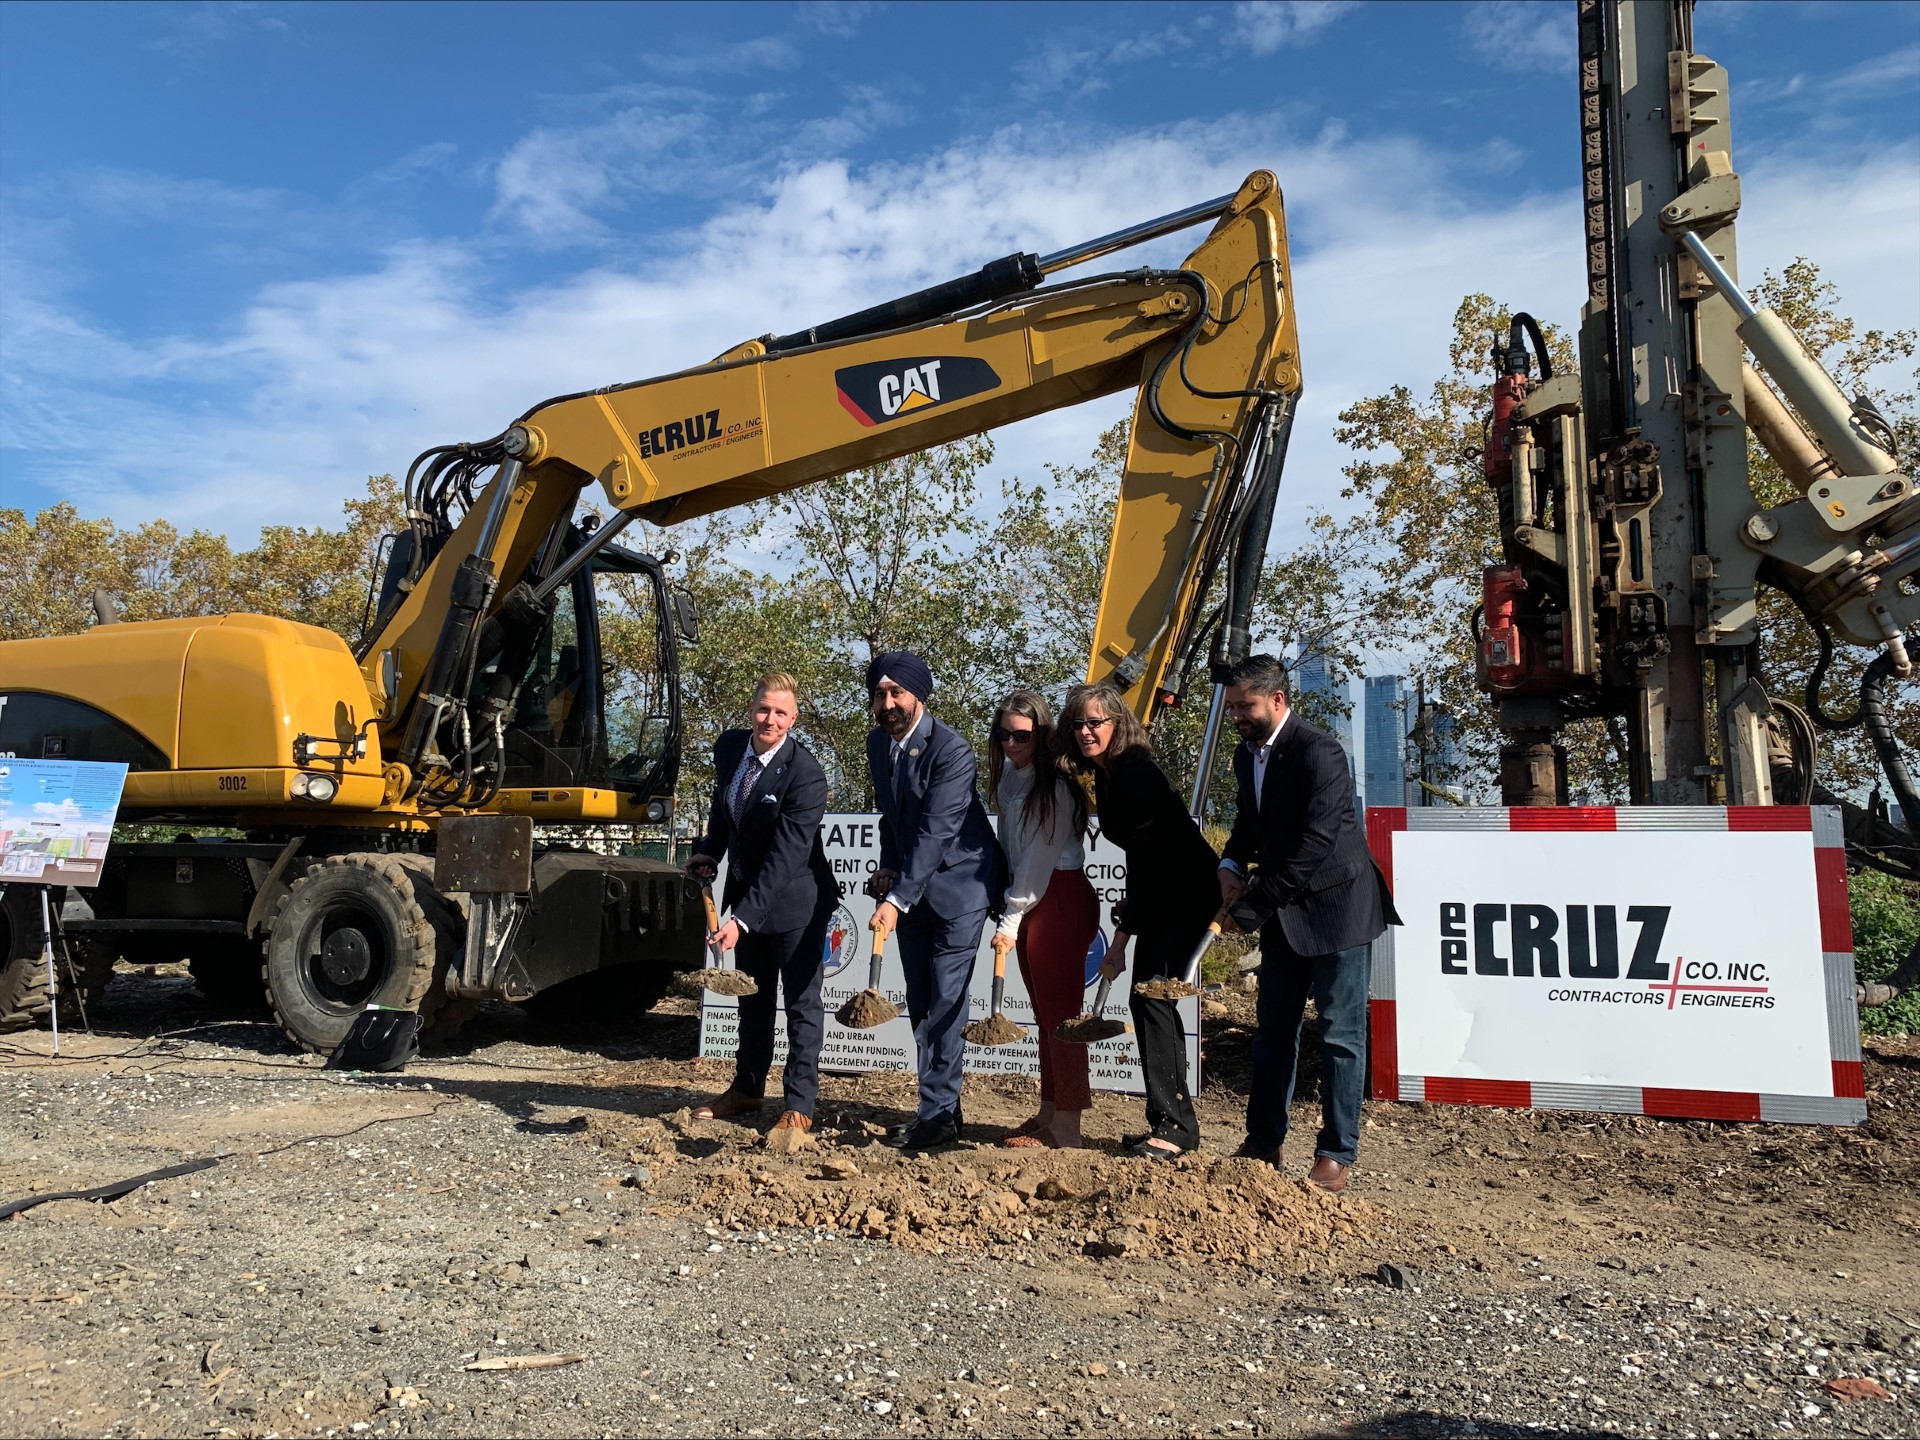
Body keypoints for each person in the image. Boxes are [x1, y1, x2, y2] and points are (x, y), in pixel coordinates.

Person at [1216, 653, 1400, 1192]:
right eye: (1231, 709)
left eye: (1245, 706)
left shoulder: (1320, 752)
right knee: (1273, 1030)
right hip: (1284, 910)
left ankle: (1337, 1154)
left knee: (1341, 1034)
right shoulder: (1244, 755)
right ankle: (1263, 1141)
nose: (1237, 717)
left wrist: (1253, 906)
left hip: (1337, 909)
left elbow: (1315, 843)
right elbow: (1250, 825)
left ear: (1278, 700)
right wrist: (1230, 864)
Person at [1056, 682, 1217, 1159]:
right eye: (1078, 724)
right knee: (1150, 1001)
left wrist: (1121, 939)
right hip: (1163, 891)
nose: (1085, 732)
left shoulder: (1134, 773)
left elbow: (1158, 857)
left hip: (1186, 893)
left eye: (1095, 723)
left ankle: (1174, 1128)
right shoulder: (1107, 773)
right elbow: (1143, 858)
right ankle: (1171, 1123)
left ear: (1117, 724)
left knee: (1151, 998)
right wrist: (1131, 905)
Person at [687, 672, 840, 1149]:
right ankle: (748, 1089)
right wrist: (709, 849)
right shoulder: (730, 748)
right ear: (751, 710)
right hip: (745, 896)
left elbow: (788, 856)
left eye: (780, 712)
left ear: (794, 719)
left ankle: (798, 1107)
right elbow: (722, 808)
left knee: (800, 1006)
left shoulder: (807, 775)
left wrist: (742, 919)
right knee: (752, 1000)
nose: (769, 719)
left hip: (797, 902)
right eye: (763, 708)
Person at [865, 650, 1007, 1152]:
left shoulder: (952, 750)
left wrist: (897, 898)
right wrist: (888, 865)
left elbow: (937, 829)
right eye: (880, 694)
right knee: (923, 1002)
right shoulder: (877, 743)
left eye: (896, 692)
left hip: (960, 890)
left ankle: (940, 1117)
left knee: (947, 1001)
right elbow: (892, 818)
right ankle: (939, 1109)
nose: (888, 703)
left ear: (918, 695)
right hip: (912, 893)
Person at [988, 690, 1097, 1150]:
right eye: (1004, 734)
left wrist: (1011, 918)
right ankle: (1050, 1113)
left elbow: (1037, 859)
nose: (1011, 743)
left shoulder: (1051, 786)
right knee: (1045, 1015)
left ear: (1043, 735)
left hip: (1059, 900)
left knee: (1062, 1017)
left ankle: (1068, 1127)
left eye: (1022, 736)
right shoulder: (1011, 779)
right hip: (1036, 900)